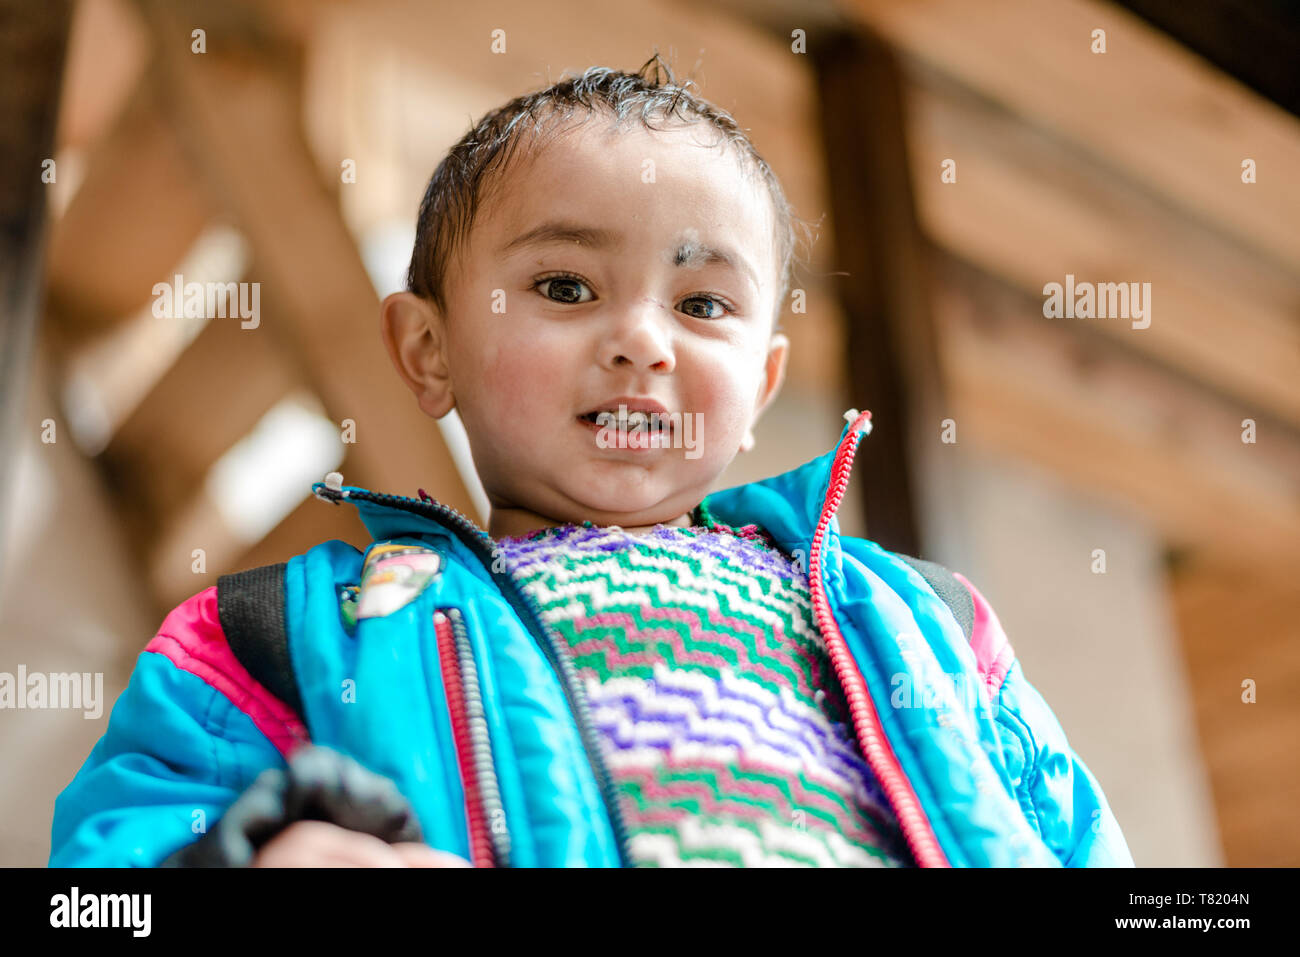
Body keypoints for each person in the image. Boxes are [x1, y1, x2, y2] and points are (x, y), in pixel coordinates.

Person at [50, 56, 1133, 868]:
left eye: (702, 304)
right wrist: (249, 854)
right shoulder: (280, 634)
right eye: (566, 287)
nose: (643, 341)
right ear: (428, 352)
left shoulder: (927, 624)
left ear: (760, 385)